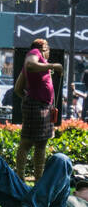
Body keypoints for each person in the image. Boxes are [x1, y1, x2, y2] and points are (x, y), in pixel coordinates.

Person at [15, 38, 63, 180]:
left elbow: (18, 88)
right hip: (37, 105)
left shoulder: (39, 63)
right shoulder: (34, 53)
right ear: (44, 48)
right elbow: (30, 65)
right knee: (27, 142)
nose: (49, 53)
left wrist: (26, 97)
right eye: (48, 49)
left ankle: (38, 178)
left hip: (42, 106)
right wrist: (53, 66)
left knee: (41, 144)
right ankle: (20, 178)